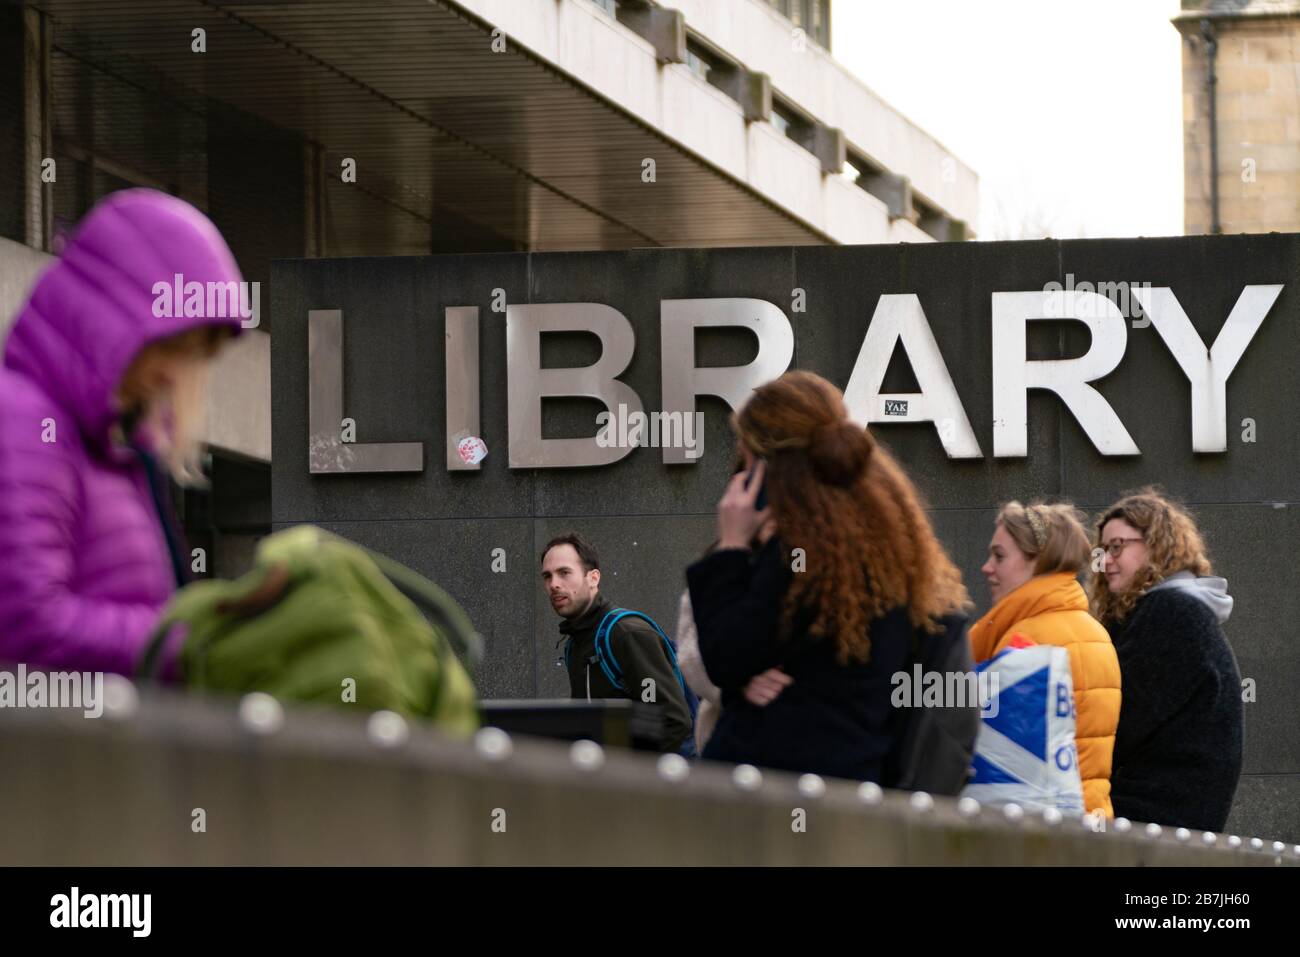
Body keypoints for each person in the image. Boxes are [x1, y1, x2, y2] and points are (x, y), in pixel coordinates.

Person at [0, 189, 243, 676]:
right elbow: (25, 624)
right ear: (113, 320)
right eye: (172, 345)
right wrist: (198, 641)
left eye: (194, 356)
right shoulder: (24, 420)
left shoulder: (112, 447)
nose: (177, 375)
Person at [686, 370, 971, 781]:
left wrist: (730, 547)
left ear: (766, 467)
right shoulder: (887, 553)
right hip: (855, 791)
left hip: (775, 798)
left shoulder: (798, 557)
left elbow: (726, 655)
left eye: (744, 460)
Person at [1090, 489, 1242, 832]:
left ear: (1157, 545)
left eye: (1117, 547)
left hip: (1155, 822)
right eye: (1102, 551)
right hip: (1165, 821)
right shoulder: (1165, 611)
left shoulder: (1172, 612)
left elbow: (1116, 723)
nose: (1105, 561)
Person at [969, 501, 1121, 817]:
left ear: (1039, 561)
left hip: (1044, 829)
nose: (987, 567)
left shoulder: (1025, 640)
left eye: (999, 556)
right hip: (1092, 820)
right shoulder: (1095, 631)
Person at [542, 532, 692, 752]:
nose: (554, 584)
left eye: (564, 573)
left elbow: (674, 722)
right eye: (547, 576)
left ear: (593, 578)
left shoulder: (627, 634)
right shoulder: (576, 641)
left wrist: (626, 775)